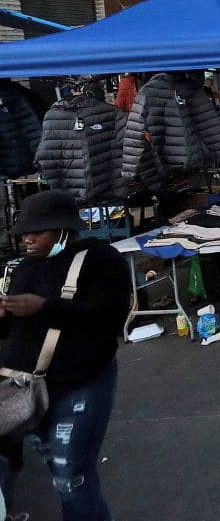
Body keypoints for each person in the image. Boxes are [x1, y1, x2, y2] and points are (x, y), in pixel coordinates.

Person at [0, 190, 132, 519]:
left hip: (78, 387)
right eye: (24, 232)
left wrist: (45, 308)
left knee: (71, 479)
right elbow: (16, 332)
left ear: (62, 230)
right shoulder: (24, 268)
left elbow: (107, 321)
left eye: (36, 231)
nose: (27, 238)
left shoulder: (101, 261)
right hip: (27, 389)